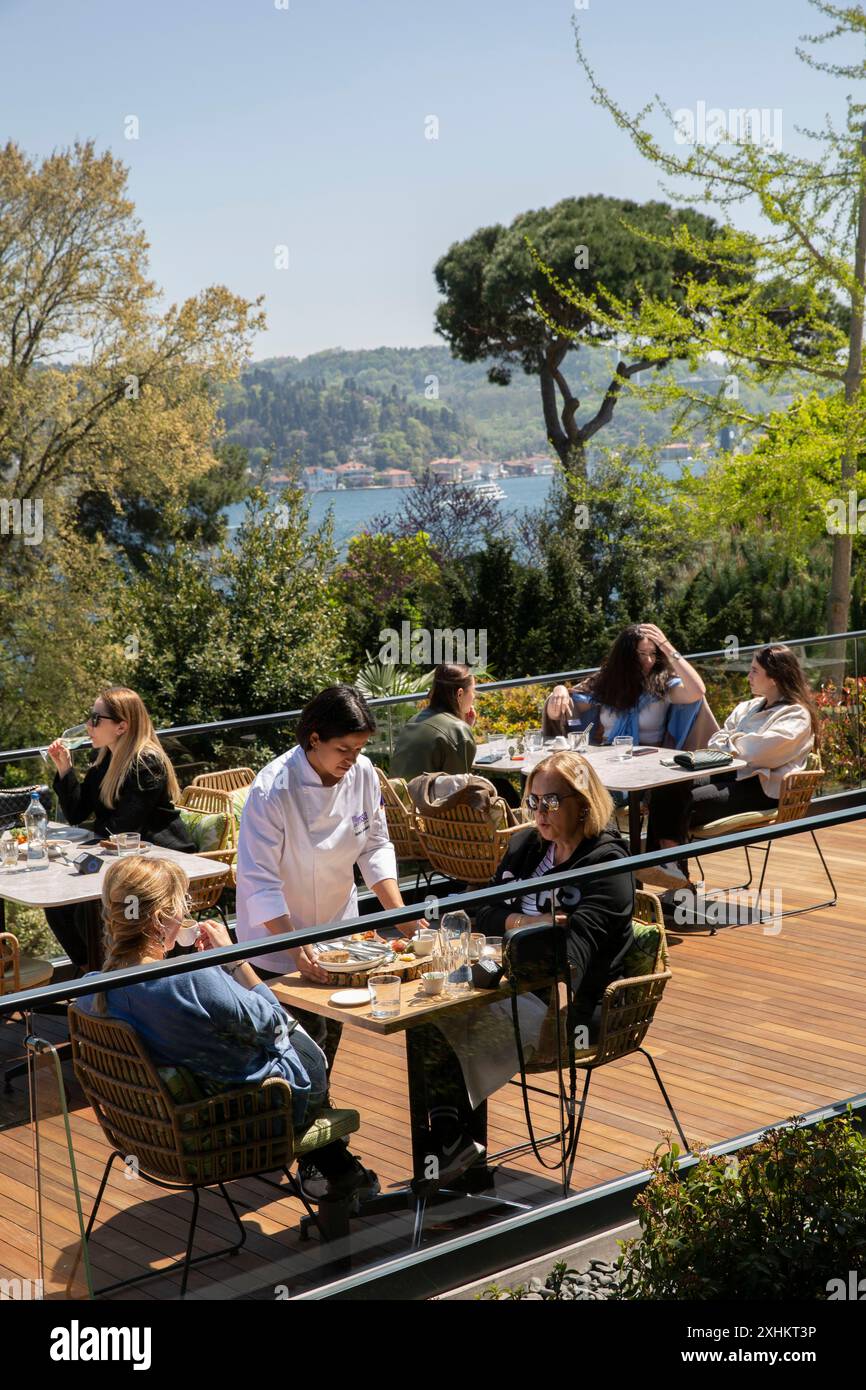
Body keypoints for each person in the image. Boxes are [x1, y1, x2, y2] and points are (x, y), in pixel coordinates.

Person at [74, 856, 378, 1203]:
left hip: (160, 1126)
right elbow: (275, 1025)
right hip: (246, 1112)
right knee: (299, 1036)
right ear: (160, 919)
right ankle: (344, 1175)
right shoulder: (192, 980)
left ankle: (344, 1173)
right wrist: (234, 960)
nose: (185, 914)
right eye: (181, 906)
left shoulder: (92, 993)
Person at [235, 684, 422, 1198]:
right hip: (276, 939)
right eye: (344, 750)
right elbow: (258, 880)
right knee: (292, 1046)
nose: (352, 761)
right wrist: (298, 949)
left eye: (359, 751)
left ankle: (311, 1146)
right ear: (313, 739)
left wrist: (400, 918)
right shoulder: (272, 790)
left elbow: (376, 846)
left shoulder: (361, 775)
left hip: (338, 929)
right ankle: (313, 1152)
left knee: (324, 1041)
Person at [419, 751, 635, 1181]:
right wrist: (531, 922)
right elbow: (483, 912)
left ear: (583, 804)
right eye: (533, 802)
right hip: (509, 988)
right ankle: (454, 1143)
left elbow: (570, 956)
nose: (539, 812)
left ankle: (450, 1147)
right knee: (430, 1021)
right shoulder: (525, 847)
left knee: (443, 1024)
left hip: (570, 1011)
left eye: (551, 802)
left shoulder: (608, 866)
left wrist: (516, 929)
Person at [642, 645, 819, 889]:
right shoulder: (747, 707)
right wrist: (739, 742)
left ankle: (671, 871)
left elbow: (760, 752)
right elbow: (717, 739)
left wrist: (733, 741)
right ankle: (670, 868)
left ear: (775, 678)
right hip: (731, 774)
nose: (748, 677)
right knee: (665, 784)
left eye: (755, 671)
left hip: (762, 788)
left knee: (685, 803)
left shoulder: (796, 716)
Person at [43, 686, 194, 967]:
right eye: (89, 717)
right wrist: (65, 768)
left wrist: (92, 835)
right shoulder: (105, 760)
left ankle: (113, 973)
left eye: (96, 719)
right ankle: (95, 970)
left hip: (161, 860)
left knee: (82, 910)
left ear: (122, 726)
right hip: (125, 858)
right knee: (58, 909)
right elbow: (77, 813)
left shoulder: (147, 764)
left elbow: (122, 828)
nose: (88, 725)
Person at [543, 623, 714, 750]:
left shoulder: (663, 685)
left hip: (651, 763)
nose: (649, 660)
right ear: (625, 656)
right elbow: (557, 713)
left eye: (653, 653)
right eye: (641, 654)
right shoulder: (607, 684)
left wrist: (667, 647)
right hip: (609, 759)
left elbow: (697, 691)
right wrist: (560, 691)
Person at [390, 662, 477, 781]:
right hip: (427, 799)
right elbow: (459, 790)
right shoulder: (457, 730)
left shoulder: (414, 720)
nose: (474, 696)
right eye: (473, 691)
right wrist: (464, 730)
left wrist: (464, 726)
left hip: (398, 798)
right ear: (460, 694)